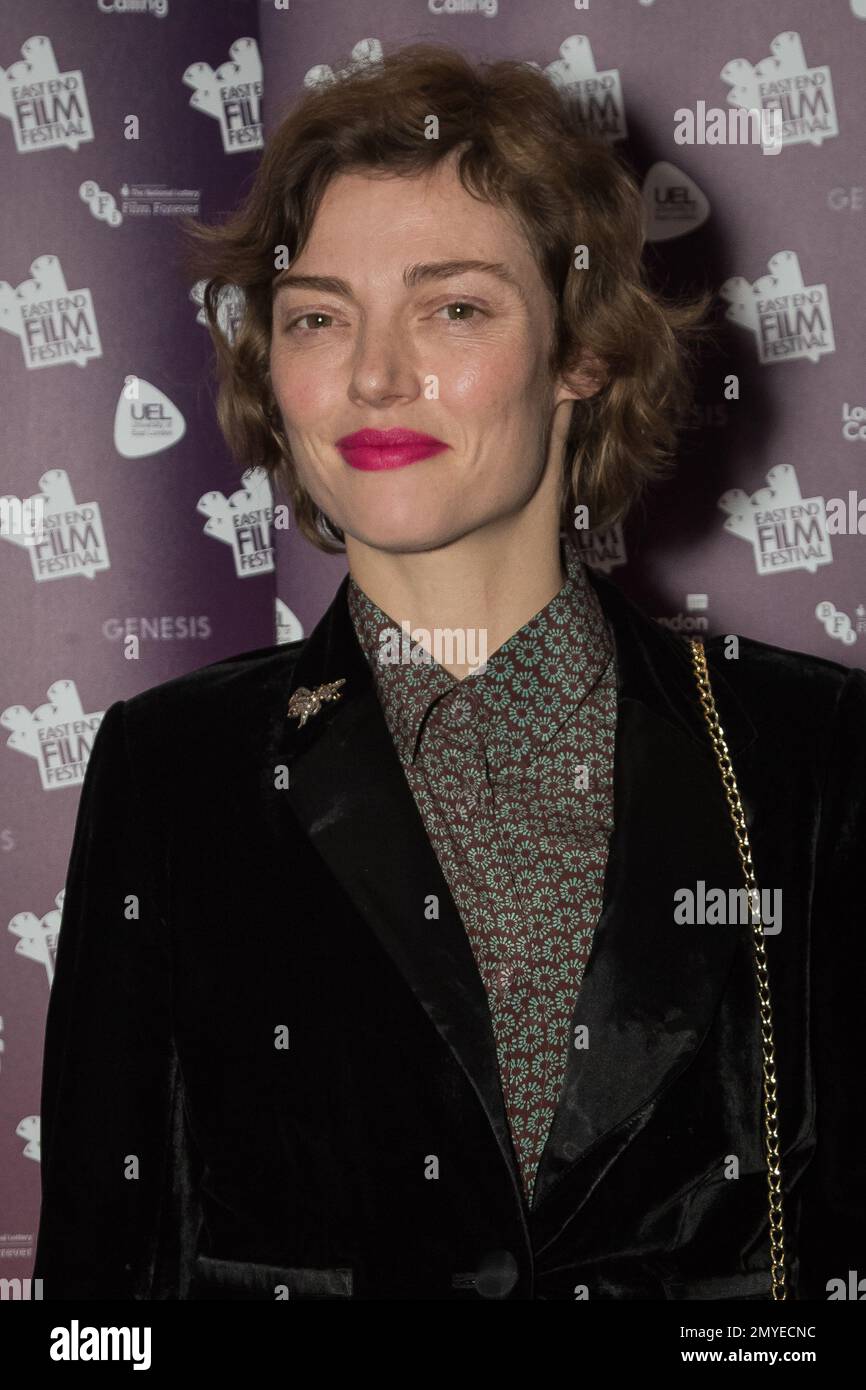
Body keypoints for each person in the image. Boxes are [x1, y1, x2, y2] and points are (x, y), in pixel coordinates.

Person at [34, 43, 865, 1301]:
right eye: (317, 316)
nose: (373, 374)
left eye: (453, 307)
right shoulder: (171, 768)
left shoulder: (808, 752)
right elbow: (99, 1298)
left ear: (580, 354)